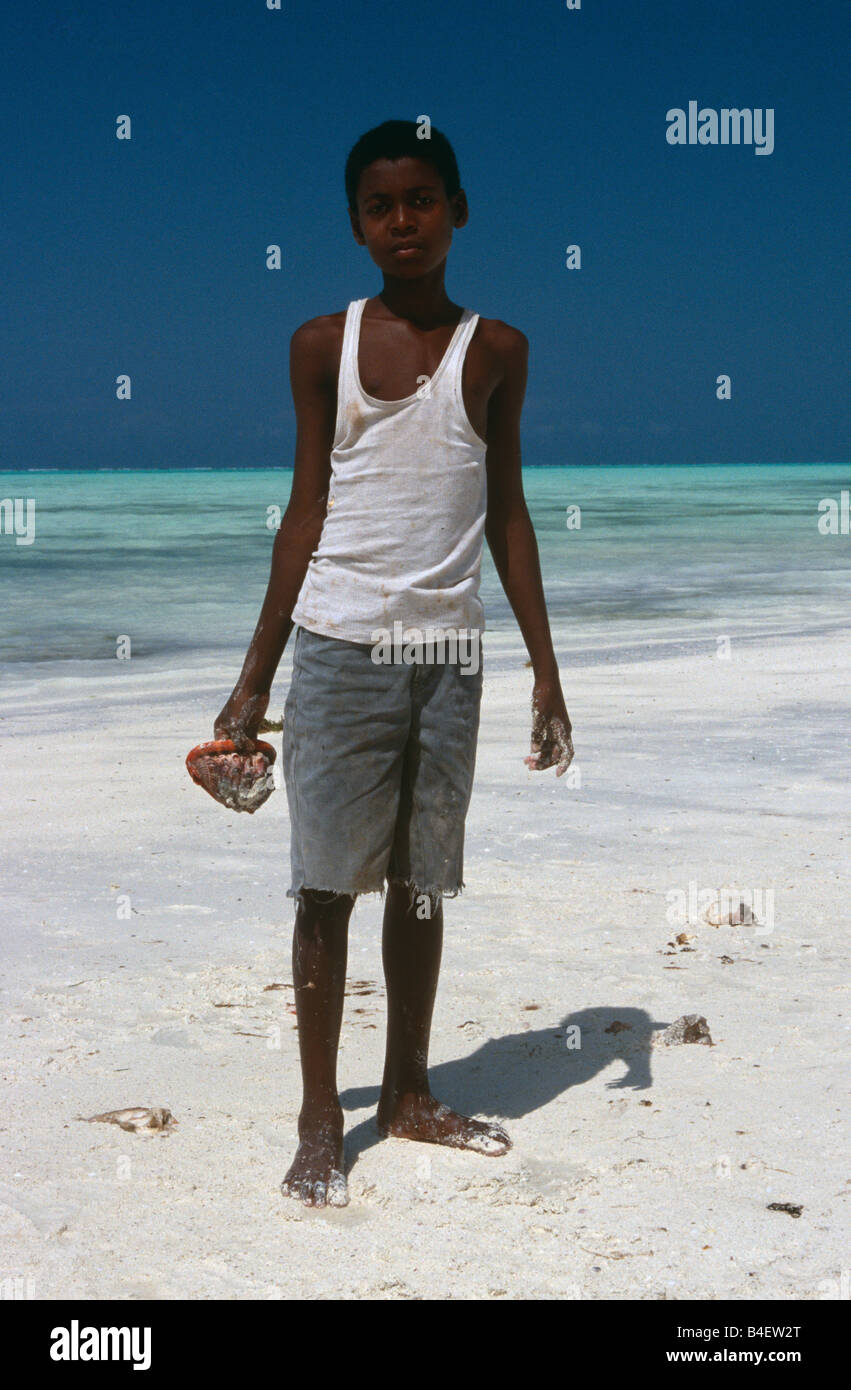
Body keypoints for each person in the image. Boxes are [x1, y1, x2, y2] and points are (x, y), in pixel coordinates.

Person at [213, 120, 573, 1208]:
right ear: (357, 225)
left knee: (421, 883)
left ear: (457, 211)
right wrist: (253, 674)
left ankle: (409, 1088)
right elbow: (304, 513)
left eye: (422, 200)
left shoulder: (497, 351)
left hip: (446, 654)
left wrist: (545, 671)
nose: (402, 221)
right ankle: (322, 1113)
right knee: (323, 885)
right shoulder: (322, 343)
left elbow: (506, 514)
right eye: (380, 206)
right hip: (336, 648)